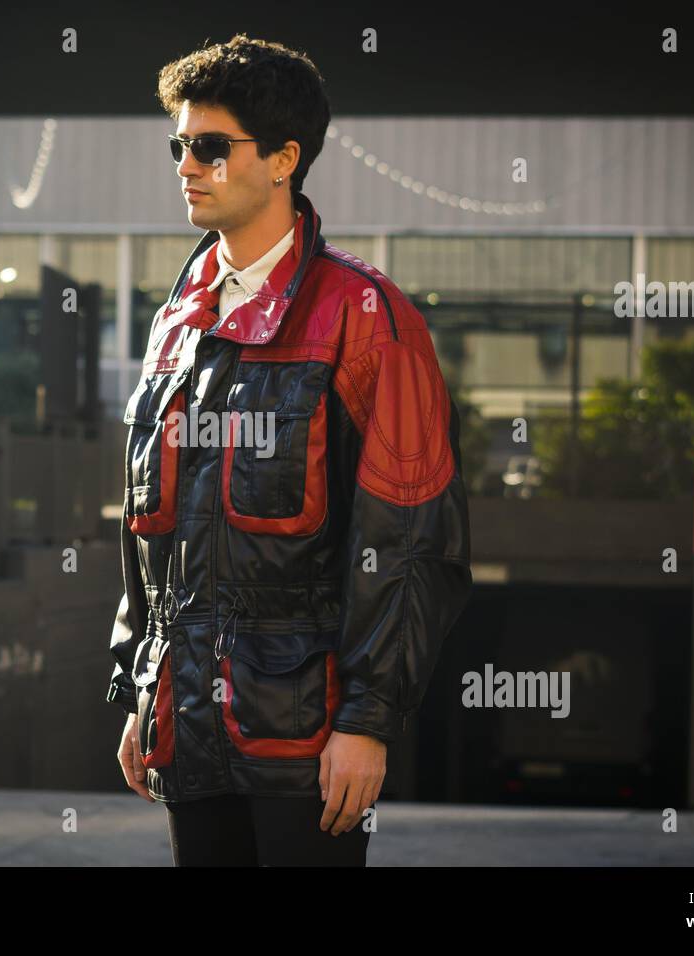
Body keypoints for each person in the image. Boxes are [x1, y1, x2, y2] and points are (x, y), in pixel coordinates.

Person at [107, 33, 472, 866]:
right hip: (187, 721)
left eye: (209, 147)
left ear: (282, 159)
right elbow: (145, 536)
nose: (186, 166)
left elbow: (411, 541)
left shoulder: (366, 317)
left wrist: (368, 723)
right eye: (179, 146)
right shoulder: (177, 324)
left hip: (306, 744)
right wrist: (139, 689)